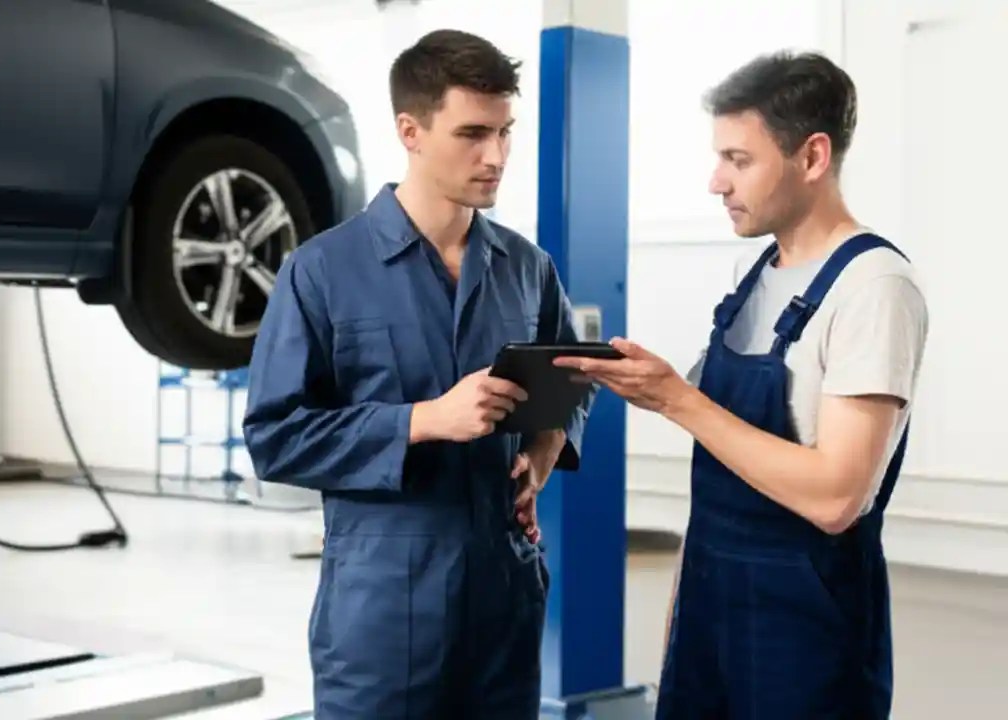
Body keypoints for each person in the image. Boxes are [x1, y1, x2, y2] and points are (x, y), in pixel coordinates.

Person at [554, 51, 928, 719]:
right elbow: (724, 469)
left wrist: (677, 399)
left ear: (812, 157)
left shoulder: (873, 288)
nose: (715, 182)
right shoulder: (754, 272)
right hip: (711, 611)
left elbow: (837, 496)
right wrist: (683, 614)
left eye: (739, 159)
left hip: (807, 636)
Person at [242, 29, 590, 719]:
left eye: (505, 132)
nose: (495, 156)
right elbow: (274, 437)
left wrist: (550, 439)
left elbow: (570, 378)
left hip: (503, 592)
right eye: (472, 133)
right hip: (380, 604)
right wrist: (424, 420)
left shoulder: (526, 267)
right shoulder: (321, 271)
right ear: (411, 130)